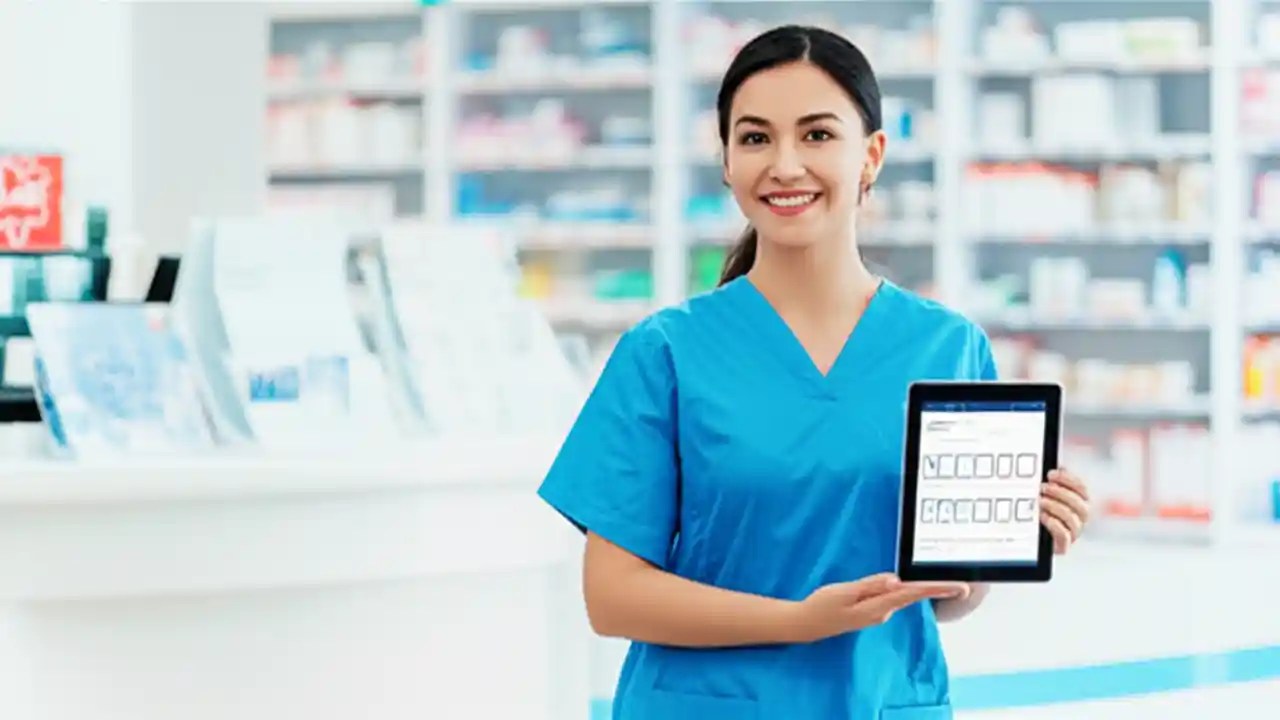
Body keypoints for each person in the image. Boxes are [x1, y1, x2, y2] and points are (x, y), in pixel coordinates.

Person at [536, 24, 1092, 720]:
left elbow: (947, 597)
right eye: (755, 138)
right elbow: (613, 597)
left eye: (818, 135)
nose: (785, 165)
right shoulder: (665, 352)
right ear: (726, 162)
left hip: (880, 700)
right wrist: (799, 621)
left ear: (871, 155)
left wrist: (1012, 536)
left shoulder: (947, 348)